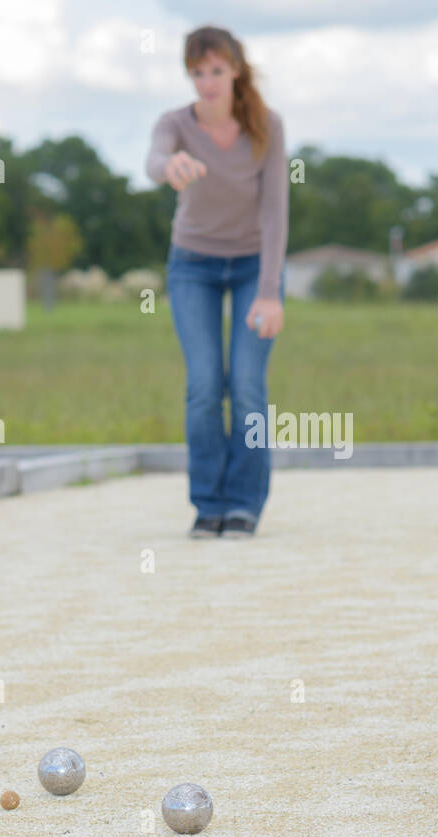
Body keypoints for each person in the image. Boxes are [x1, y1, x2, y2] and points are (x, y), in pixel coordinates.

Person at [145, 25, 289, 539]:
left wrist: (270, 291)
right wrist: (170, 165)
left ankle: (244, 504)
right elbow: (153, 161)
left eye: (216, 70)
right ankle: (209, 505)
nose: (207, 82)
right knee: (205, 385)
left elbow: (274, 211)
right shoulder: (175, 124)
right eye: (197, 72)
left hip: (254, 266)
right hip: (193, 266)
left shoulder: (265, 125)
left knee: (246, 386)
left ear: (235, 70)